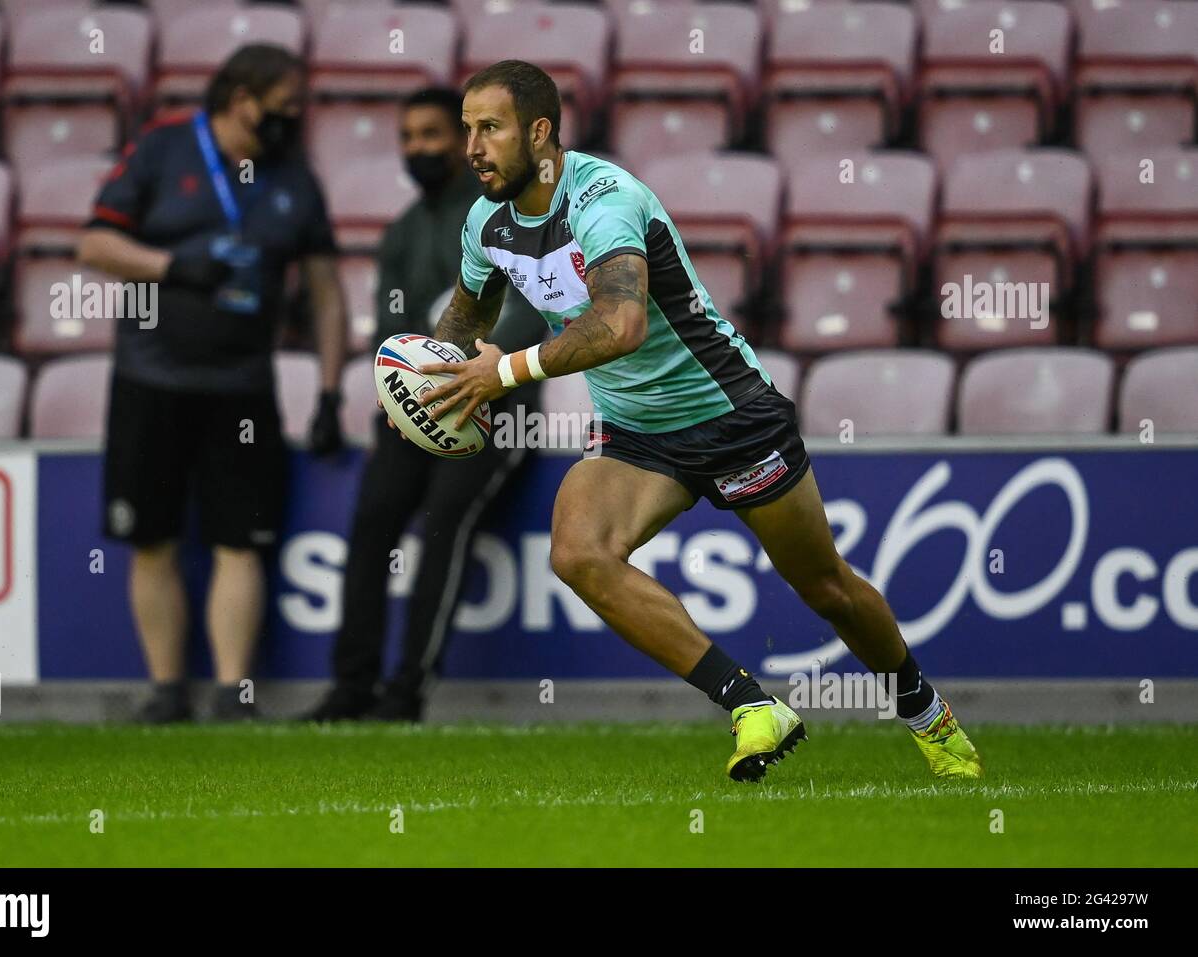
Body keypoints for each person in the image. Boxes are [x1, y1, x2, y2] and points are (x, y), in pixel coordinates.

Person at [416, 60, 983, 780]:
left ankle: (927, 714)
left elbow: (619, 324)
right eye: (467, 129)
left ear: (539, 132)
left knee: (825, 588)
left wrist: (501, 371)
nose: (471, 147)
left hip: (730, 414)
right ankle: (752, 707)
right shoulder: (485, 222)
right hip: (635, 432)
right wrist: (434, 376)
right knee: (578, 552)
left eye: (488, 128)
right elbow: (470, 311)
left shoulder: (603, 198)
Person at [77, 44, 348, 722]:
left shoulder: (295, 177)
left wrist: (328, 389)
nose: (293, 119)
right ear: (240, 99)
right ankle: (167, 691)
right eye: (283, 107)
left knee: (241, 538)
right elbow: (94, 245)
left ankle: (234, 693)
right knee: (151, 536)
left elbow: (326, 292)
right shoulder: (162, 148)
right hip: (151, 376)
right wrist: (171, 267)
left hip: (242, 385)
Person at [306, 88, 544, 723]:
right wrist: (400, 391)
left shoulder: (504, 216)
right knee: (372, 522)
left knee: (443, 521)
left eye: (433, 135)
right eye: (408, 137)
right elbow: (393, 331)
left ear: (465, 142)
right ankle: (351, 687)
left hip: (498, 408)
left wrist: (468, 376)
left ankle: (406, 692)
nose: (420, 148)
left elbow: (525, 320)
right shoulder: (401, 232)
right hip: (421, 405)